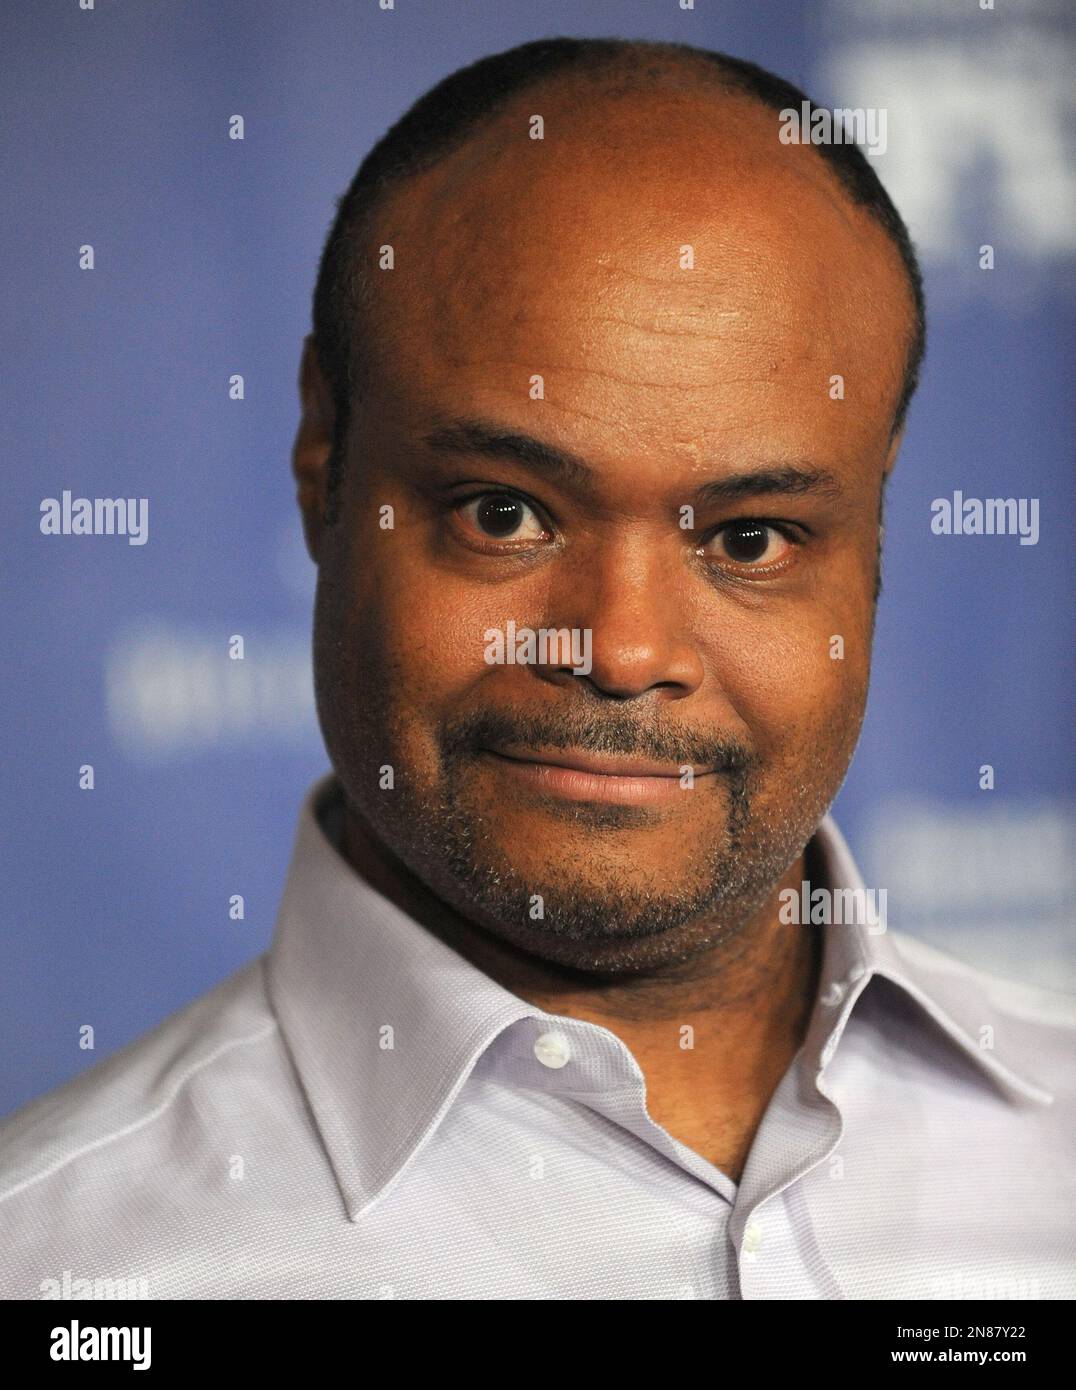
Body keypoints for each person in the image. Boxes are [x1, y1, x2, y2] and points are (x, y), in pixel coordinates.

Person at [2, 36, 1071, 1301]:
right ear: (320, 461)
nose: (618, 651)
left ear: (876, 533)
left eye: (747, 539)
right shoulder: (61, 1272)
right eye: (503, 514)